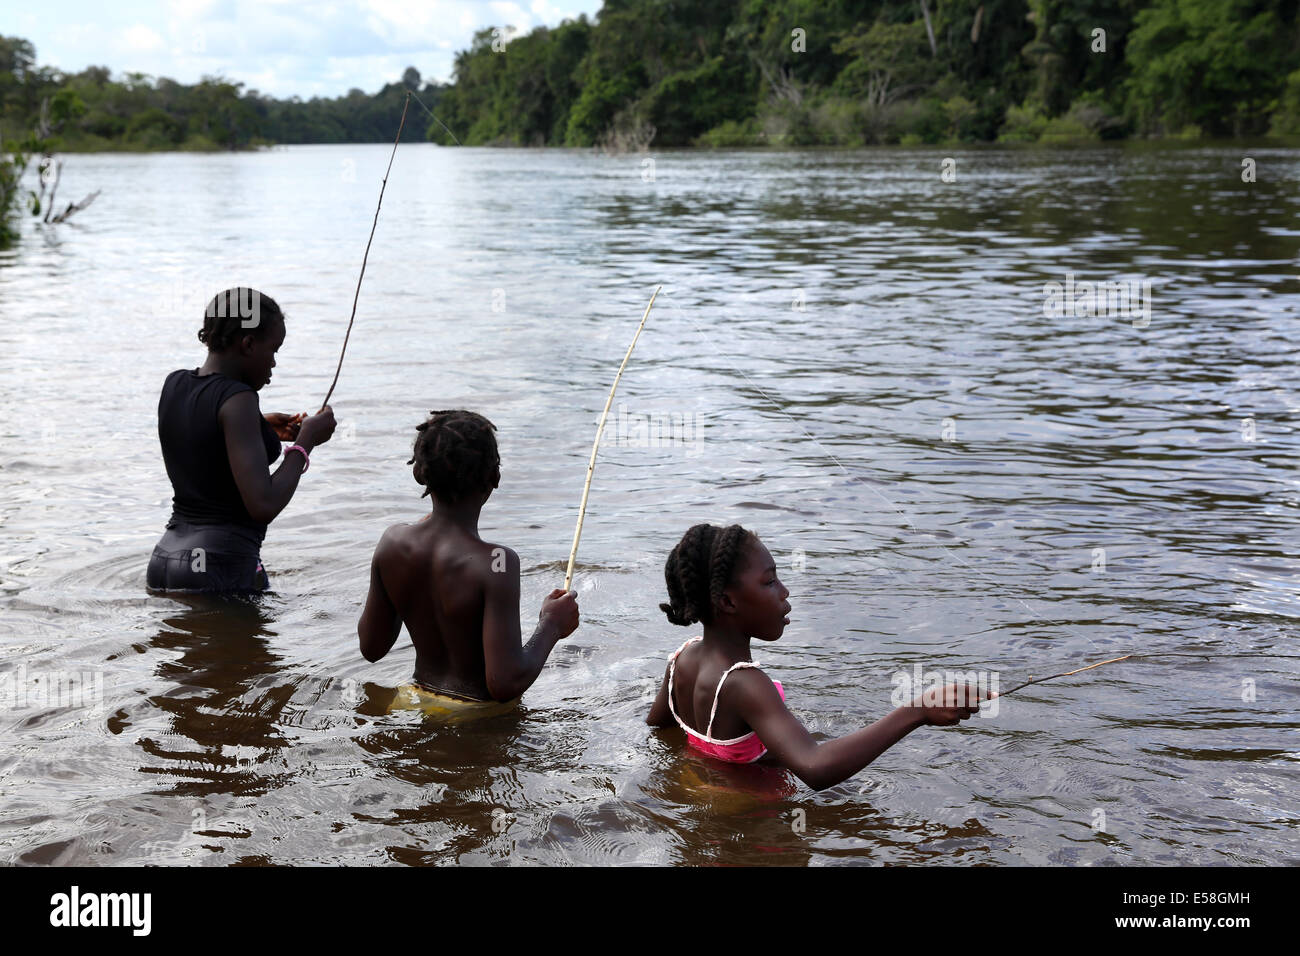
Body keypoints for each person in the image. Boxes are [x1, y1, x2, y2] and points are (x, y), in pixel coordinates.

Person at [646, 523, 994, 791]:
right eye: (769, 582)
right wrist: (916, 711)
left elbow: (659, 727)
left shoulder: (681, 659)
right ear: (728, 602)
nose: (784, 592)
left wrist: (708, 776)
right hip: (761, 827)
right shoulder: (745, 684)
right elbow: (816, 768)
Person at [357, 409, 579, 718]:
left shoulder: (392, 542)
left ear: (420, 473)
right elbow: (505, 681)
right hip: (479, 718)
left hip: (416, 701)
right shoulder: (498, 562)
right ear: (494, 477)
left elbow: (372, 647)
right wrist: (551, 625)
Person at [147, 287, 336, 593]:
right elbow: (263, 504)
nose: (274, 363)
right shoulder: (240, 399)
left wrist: (261, 428)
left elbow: (205, 445)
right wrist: (305, 443)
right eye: (274, 350)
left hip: (164, 561)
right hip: (218, 562)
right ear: (248, 344)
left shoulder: (175, 383)